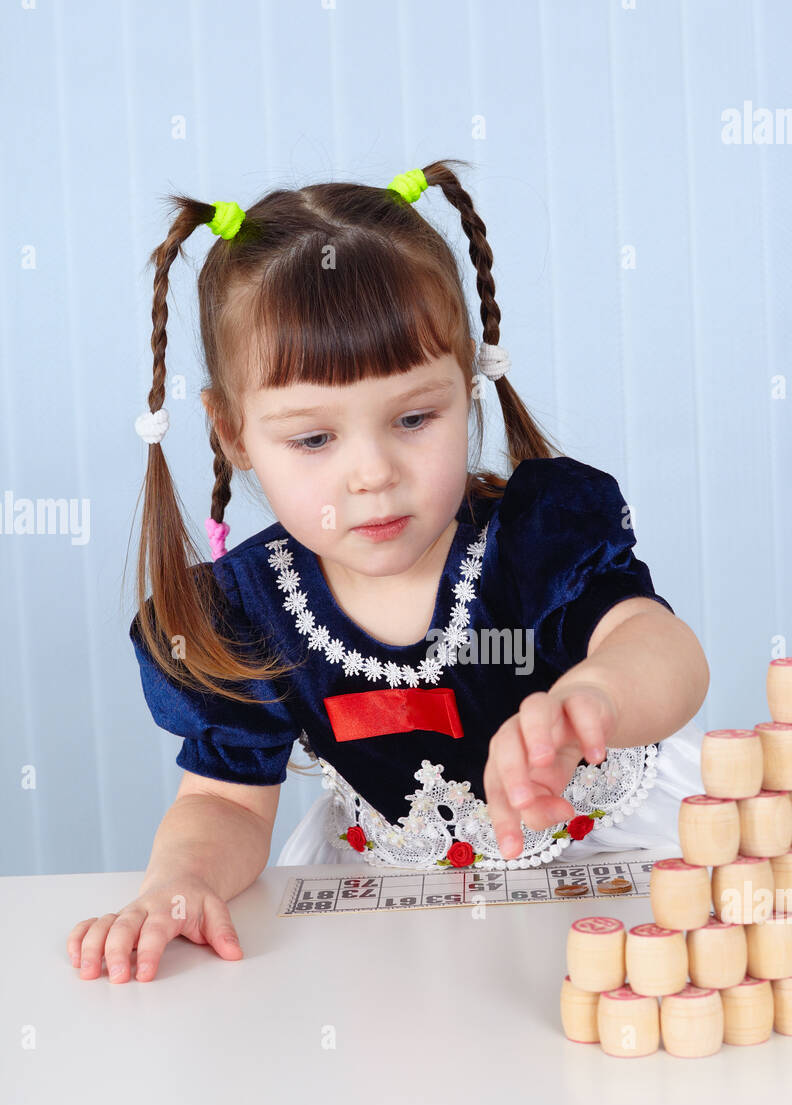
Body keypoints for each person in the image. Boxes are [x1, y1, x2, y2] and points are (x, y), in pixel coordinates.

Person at [67, 161, 710, 985]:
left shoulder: (533, 539)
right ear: (231, 434)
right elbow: (223, 803)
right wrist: (181, 881)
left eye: (413, 418)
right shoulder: (246, 615)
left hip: (621, 865)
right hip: (405, 906)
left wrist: (597, 700)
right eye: (313, 440)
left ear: (467, 391)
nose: (371, 473)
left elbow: (661, 649)